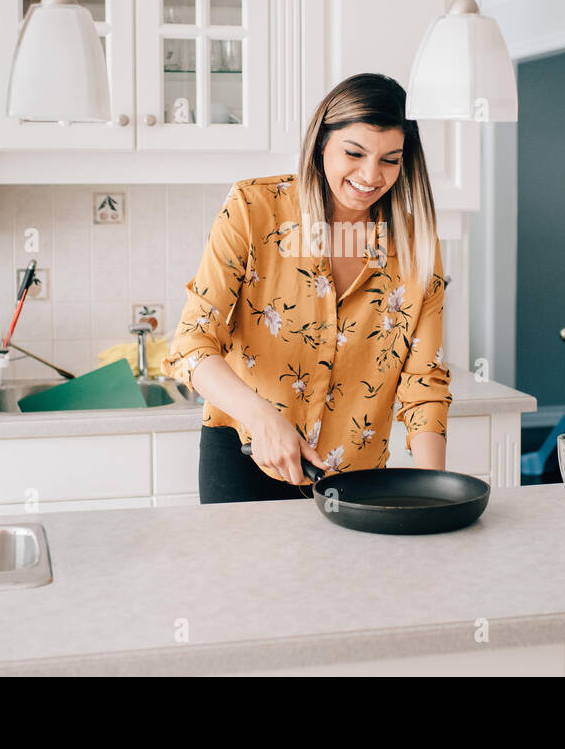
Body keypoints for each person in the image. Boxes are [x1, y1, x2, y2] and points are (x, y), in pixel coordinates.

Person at [162, 72, 452, 503]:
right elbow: (192, 342)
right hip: (245, 459)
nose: (371, 175)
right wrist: (263, 419)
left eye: (391, 159)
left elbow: (424, 382)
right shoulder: (253, 209)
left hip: (356, 475)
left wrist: (436, 495)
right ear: (321, 142)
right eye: (354, 152)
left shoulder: (416, 245)